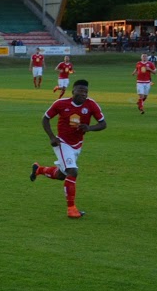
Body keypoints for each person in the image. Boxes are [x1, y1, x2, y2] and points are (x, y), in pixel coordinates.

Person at [30, 78, 107, 219]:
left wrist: (89, 128)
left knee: (62, 175)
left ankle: (39, 169)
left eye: (86, 92)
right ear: (73, 91)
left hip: (77, 145)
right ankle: (71, 210)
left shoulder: (91, 105)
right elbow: (45, 118)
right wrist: (52, 137)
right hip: (62, 143)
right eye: (80, 91)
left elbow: (103, 124)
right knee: (73, 171)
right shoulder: (61, 104)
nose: (83, 94)